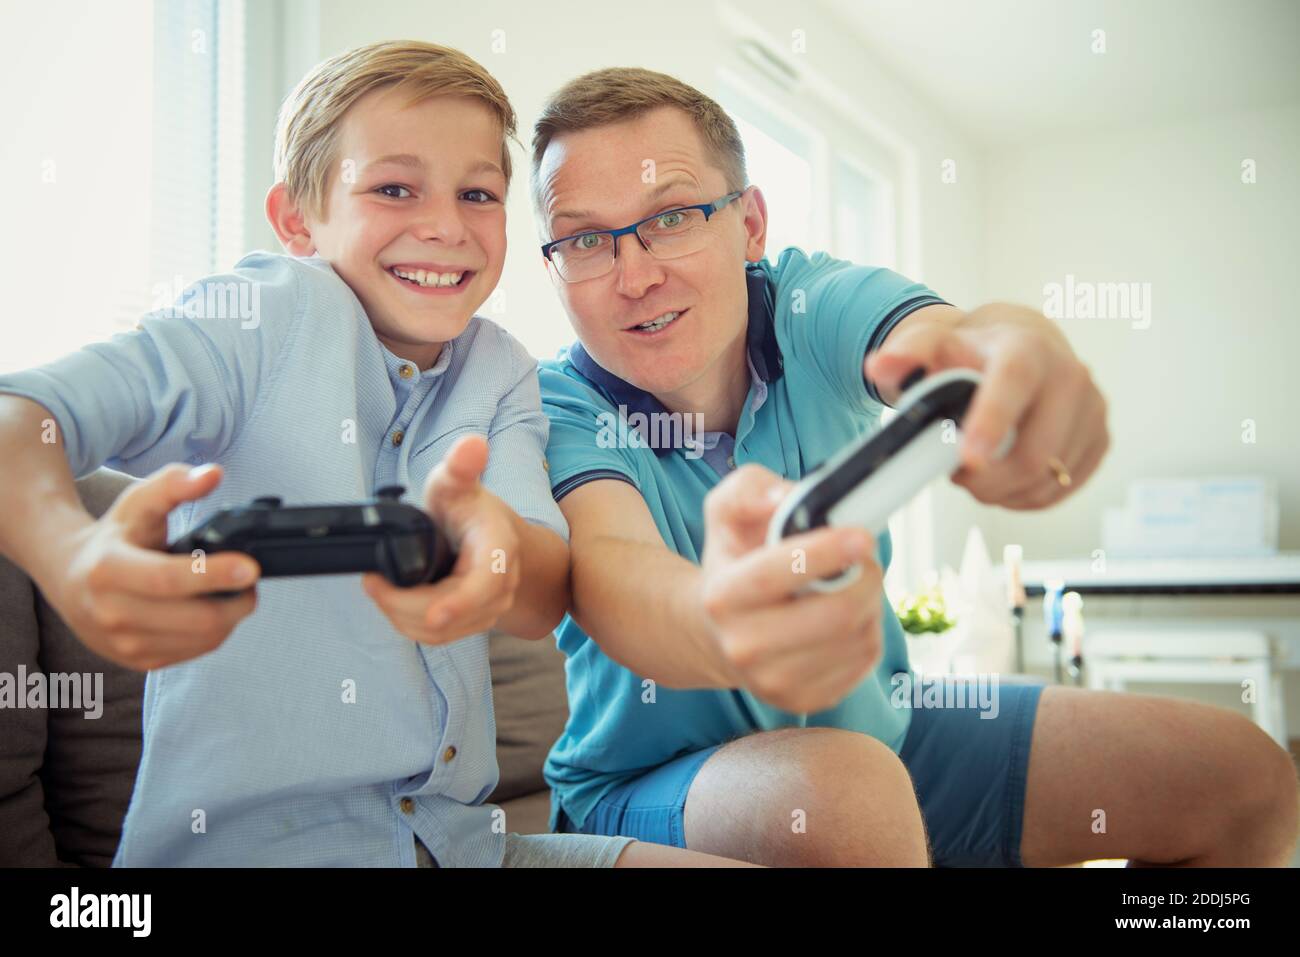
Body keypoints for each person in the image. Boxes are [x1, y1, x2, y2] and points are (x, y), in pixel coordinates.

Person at [0, 43, 749, 868]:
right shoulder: (259, 317)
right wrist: (68, 557)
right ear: (296, 219)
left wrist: (489, 552)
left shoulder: (499, 370)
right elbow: (21, 416)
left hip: (463, 844)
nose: (444, 225)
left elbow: (538, 598)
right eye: (393, 188)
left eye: (478, 194)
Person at [530, 67, 1299, 866]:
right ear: (553, 266)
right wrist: (718, 618)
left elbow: (947, 339)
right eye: (585, 239)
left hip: (888, 726)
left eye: (674, 216)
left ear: (749, 223)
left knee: (1246, 777)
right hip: (655, 782)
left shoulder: (807, 301)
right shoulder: (556, 406)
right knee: (847, 791)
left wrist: (1017, 353)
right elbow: (613, 564)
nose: (635, 274)